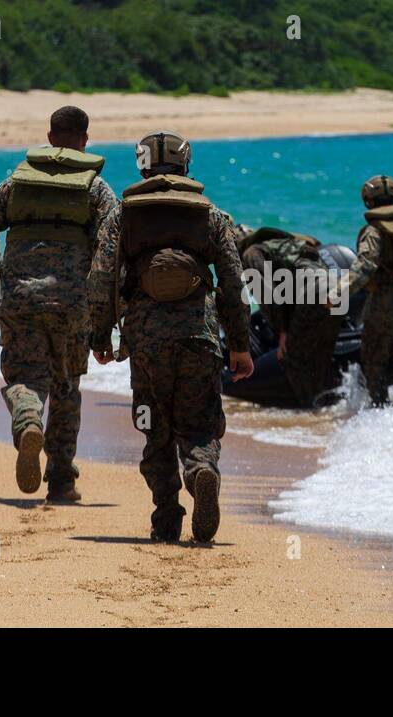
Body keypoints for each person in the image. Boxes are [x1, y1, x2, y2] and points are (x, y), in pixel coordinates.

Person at [87, 131, 253, 543]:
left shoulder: (124, 215)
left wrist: (100, 334)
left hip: (145, 339)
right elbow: (234, 282)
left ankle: (165, 518)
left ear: (142, 164)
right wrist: (240, 344)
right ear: (186, 164)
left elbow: (100, 277)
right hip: (199, 333)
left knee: (153, 426)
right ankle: (202, 471)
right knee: (199, 422)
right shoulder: (210, 215)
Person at [0, 106, 116, 503]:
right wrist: (103, 307)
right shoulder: (96, 189)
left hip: (20, 298)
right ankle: (62, 480)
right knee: (66, 387)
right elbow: (111, 250)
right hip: (72, 304)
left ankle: (28, 416)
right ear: (85, 140)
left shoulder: (15, 184)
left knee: (23, 377)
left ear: (50, 137)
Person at [330, 175, 393, 406]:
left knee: (375, 369)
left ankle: (379, 416)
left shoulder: (374, 230)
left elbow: (365, 265)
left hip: (383, 312)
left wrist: (338, 292)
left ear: (368, 200)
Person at [236, 226, 344, 407]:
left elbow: (268, 295)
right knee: (320, 358)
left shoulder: (251, 254)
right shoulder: (281, 243)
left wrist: (283, 332)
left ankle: (312, 412)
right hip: (337, 291)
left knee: (292, 358)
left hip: (314, 295)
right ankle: (332, 411)